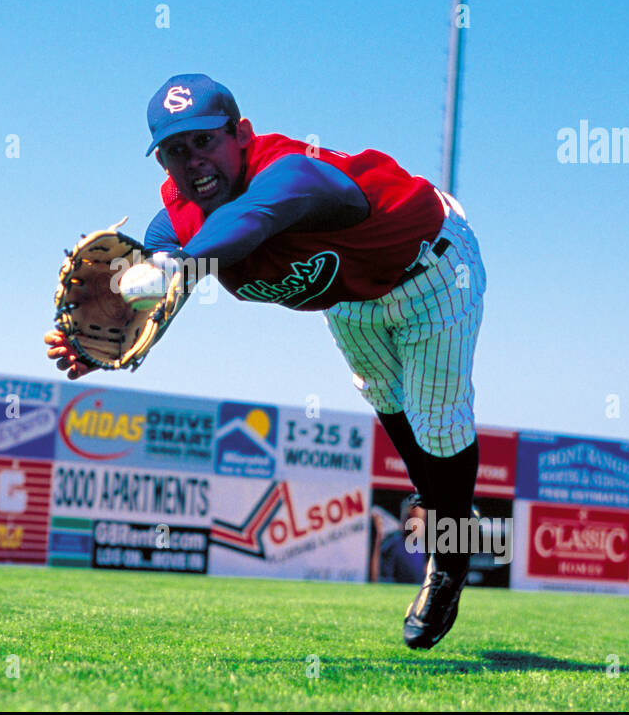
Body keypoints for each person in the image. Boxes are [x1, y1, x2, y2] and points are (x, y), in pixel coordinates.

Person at [43, 73, 487, 649]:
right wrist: (110, 340)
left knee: (436, 416)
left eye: (205, 140)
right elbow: (162, 289)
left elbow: (256, 217)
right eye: (176, 151)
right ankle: (439, 503)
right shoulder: (178, 224)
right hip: (350, 297)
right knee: (380, 390)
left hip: (430, 266)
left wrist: (179, 264)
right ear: (163, 166)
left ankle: (450, 556)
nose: (193, 160)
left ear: (242, 134)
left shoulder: (292, 172)